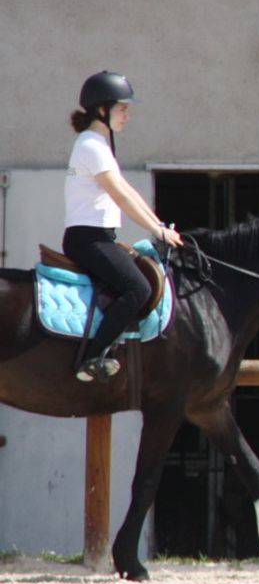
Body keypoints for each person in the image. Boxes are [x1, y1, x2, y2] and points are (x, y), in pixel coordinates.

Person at [63, 71, 183, 383]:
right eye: (122, 108)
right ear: (102, 110)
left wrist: (159, 225)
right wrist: (158, 233)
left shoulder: (99, 145)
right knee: (138, 288)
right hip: (88, 240)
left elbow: (128, 191)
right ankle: (92, 357)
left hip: (100, 237)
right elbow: (121, 198)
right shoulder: (91, 145)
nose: (127, 115)